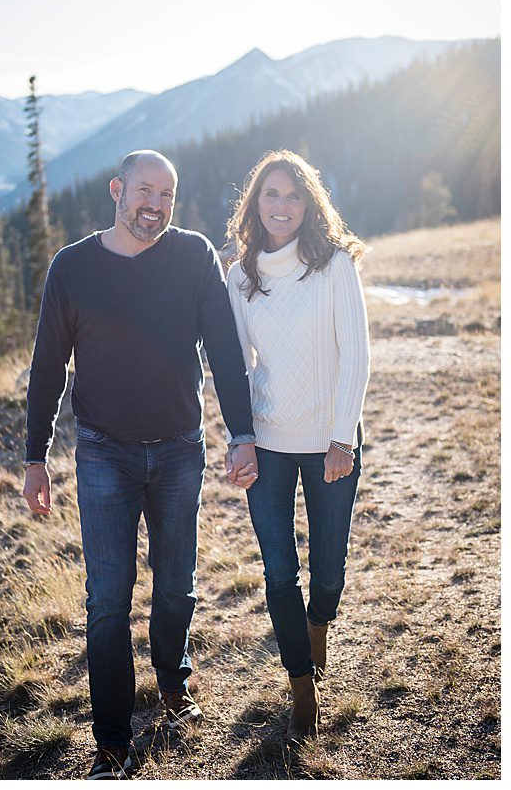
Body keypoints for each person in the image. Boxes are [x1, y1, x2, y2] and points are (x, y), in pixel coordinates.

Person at [22, 150, 258, 780]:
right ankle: (112, 738)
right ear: (116, 190)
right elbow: (48, 366)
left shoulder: (193, 255)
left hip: (181, 449)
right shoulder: (72, 268)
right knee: (107, 601)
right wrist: (35, 457)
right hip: (103, 454)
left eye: (167, 195)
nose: (155, 205)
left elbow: (225, 349)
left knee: (176, 583)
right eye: (144, 191)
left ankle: (175, 685)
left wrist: (242, 432)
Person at [225, 150, 369, 743]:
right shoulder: (240, 275)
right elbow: (235, 367)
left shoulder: (334, 266)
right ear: (255, 205)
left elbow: (356, 354)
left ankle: (320, 622)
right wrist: (242, 439)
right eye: (269, 195)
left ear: (308, 203)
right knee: (279, 569)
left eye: (291, 195)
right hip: (271, 441)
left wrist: (342, 435)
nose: (280, 206)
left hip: (331, 440)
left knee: (327, 571)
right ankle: (301, 687)